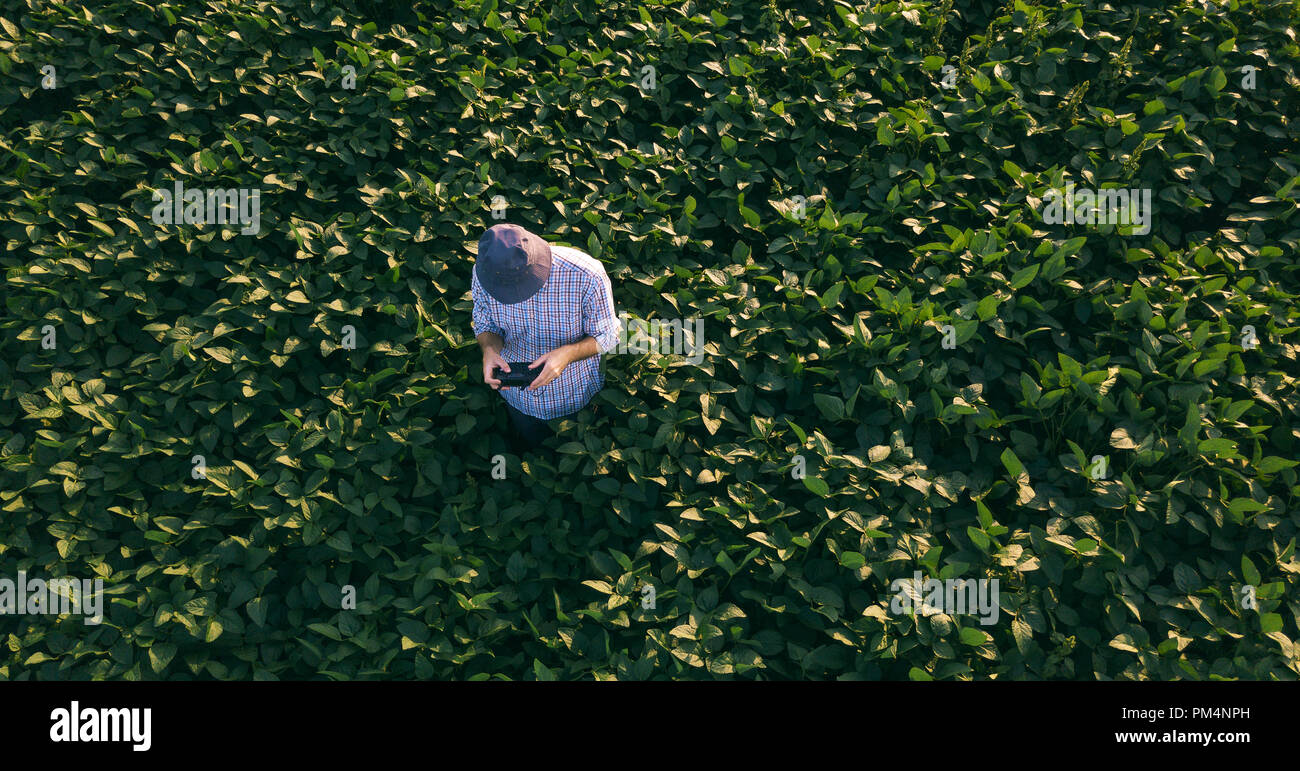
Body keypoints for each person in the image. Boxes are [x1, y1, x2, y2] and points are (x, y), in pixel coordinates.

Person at [471, 223, 619, 451]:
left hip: (576, 393)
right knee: (533, 446)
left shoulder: (586, 274)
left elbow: (609, 335)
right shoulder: (486, 273)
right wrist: (489, 350)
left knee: (578, 451)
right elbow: (485, 324)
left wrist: (568, 354)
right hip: (518, 397)